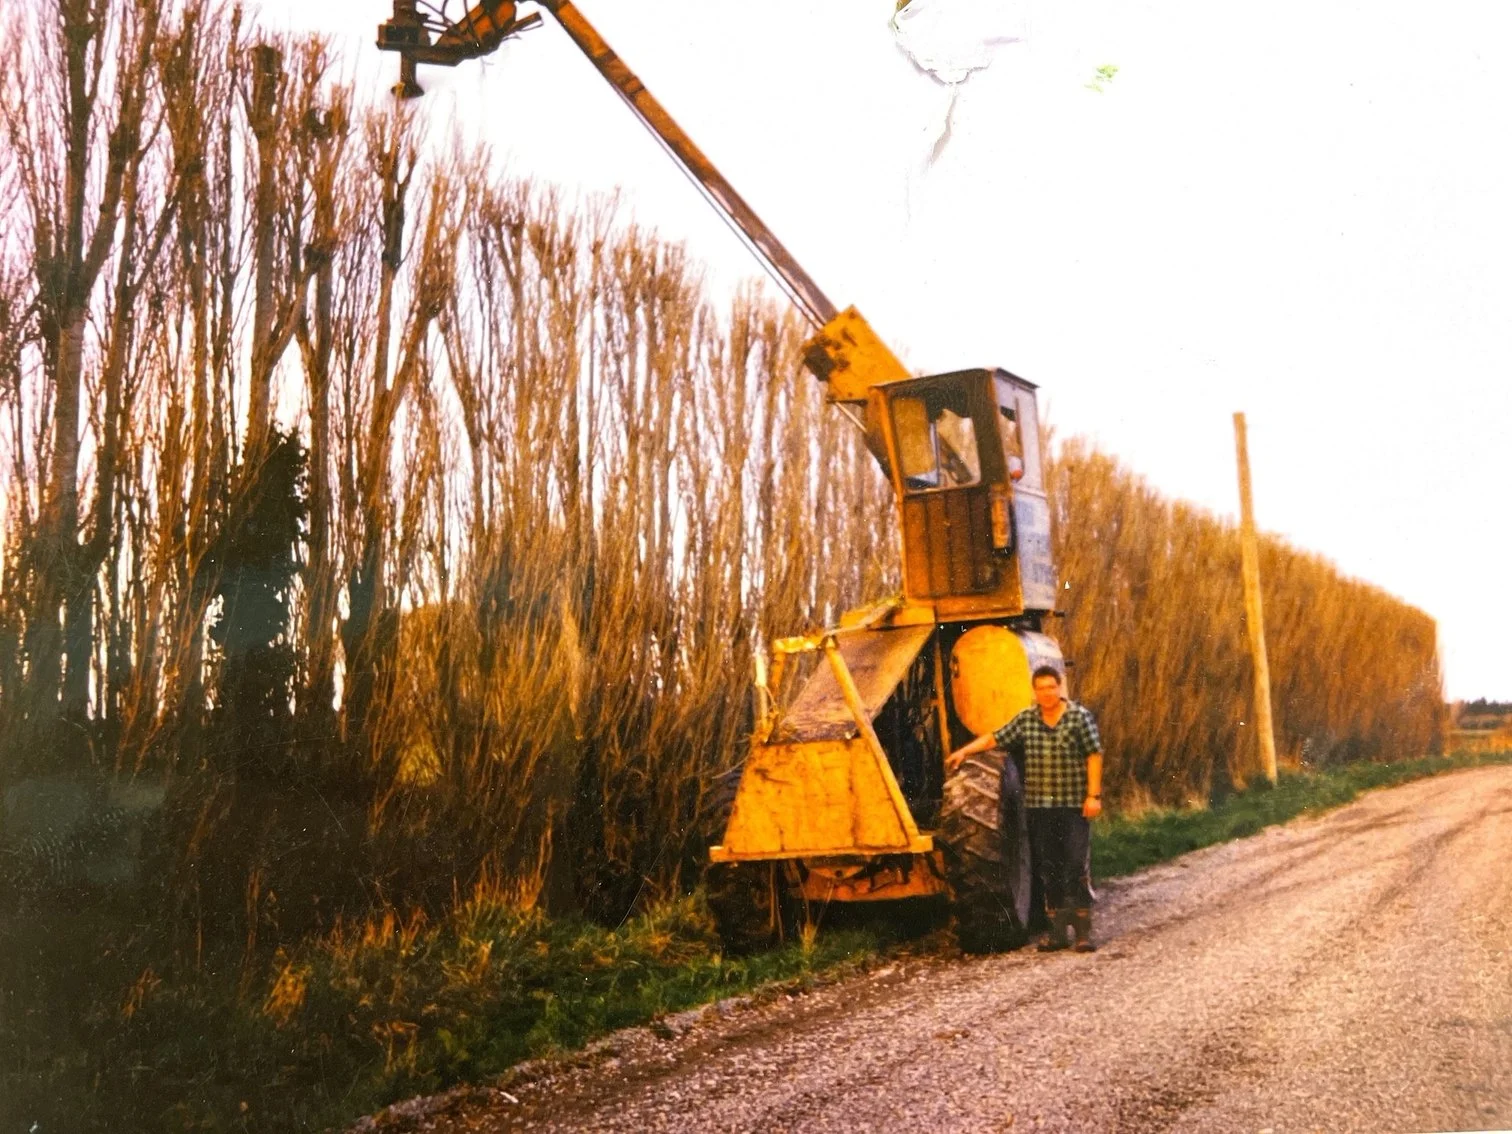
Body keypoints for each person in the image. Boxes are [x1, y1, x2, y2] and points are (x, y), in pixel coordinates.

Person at [946, 664, 1104, 952]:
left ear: (1059, 688)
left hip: (1073, 808)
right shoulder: (1027, 720)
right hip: (1041, 808)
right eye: (1041, 688)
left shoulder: (1079, 718)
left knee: (1075, 866)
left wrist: (1093, 796)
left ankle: (1083, 934)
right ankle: (1057, 934)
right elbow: (995, 737)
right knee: (1050, 869)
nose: (1046, 693)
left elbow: (1094, 754)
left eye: (1051, 687)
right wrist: (965, 751)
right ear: (1035, 691)